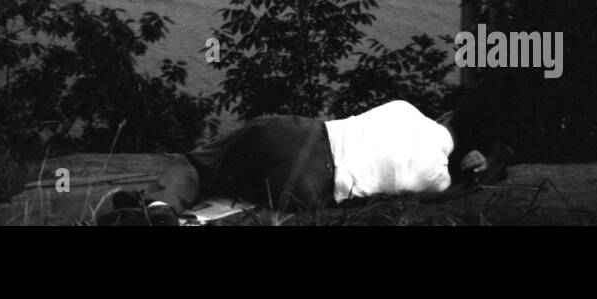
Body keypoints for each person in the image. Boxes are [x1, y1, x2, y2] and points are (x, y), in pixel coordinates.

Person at [96, 98, 510, 226]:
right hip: (308, 187)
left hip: (297, 134)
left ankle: (160, 206)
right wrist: (483, 167)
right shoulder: (436, 182)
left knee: (196, 164)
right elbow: (467, 185)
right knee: (238, 187)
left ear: (448, 119)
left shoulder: (404, 109)